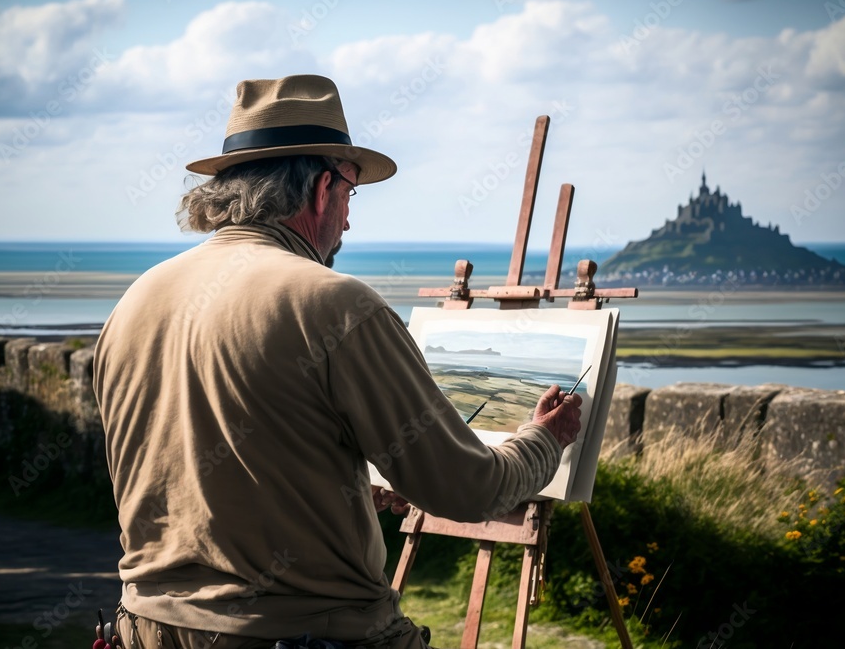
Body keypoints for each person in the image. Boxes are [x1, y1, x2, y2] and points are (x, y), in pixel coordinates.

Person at [93, 74, 583, 649]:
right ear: (323, 188)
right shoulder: (334, 304)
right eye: (351, 193)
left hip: (145, 629)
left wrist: (352, 489)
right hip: (296, 635)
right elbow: (468, 489)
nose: (348, 220)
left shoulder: (136, 301)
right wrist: (546, 439)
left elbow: (208, 471)